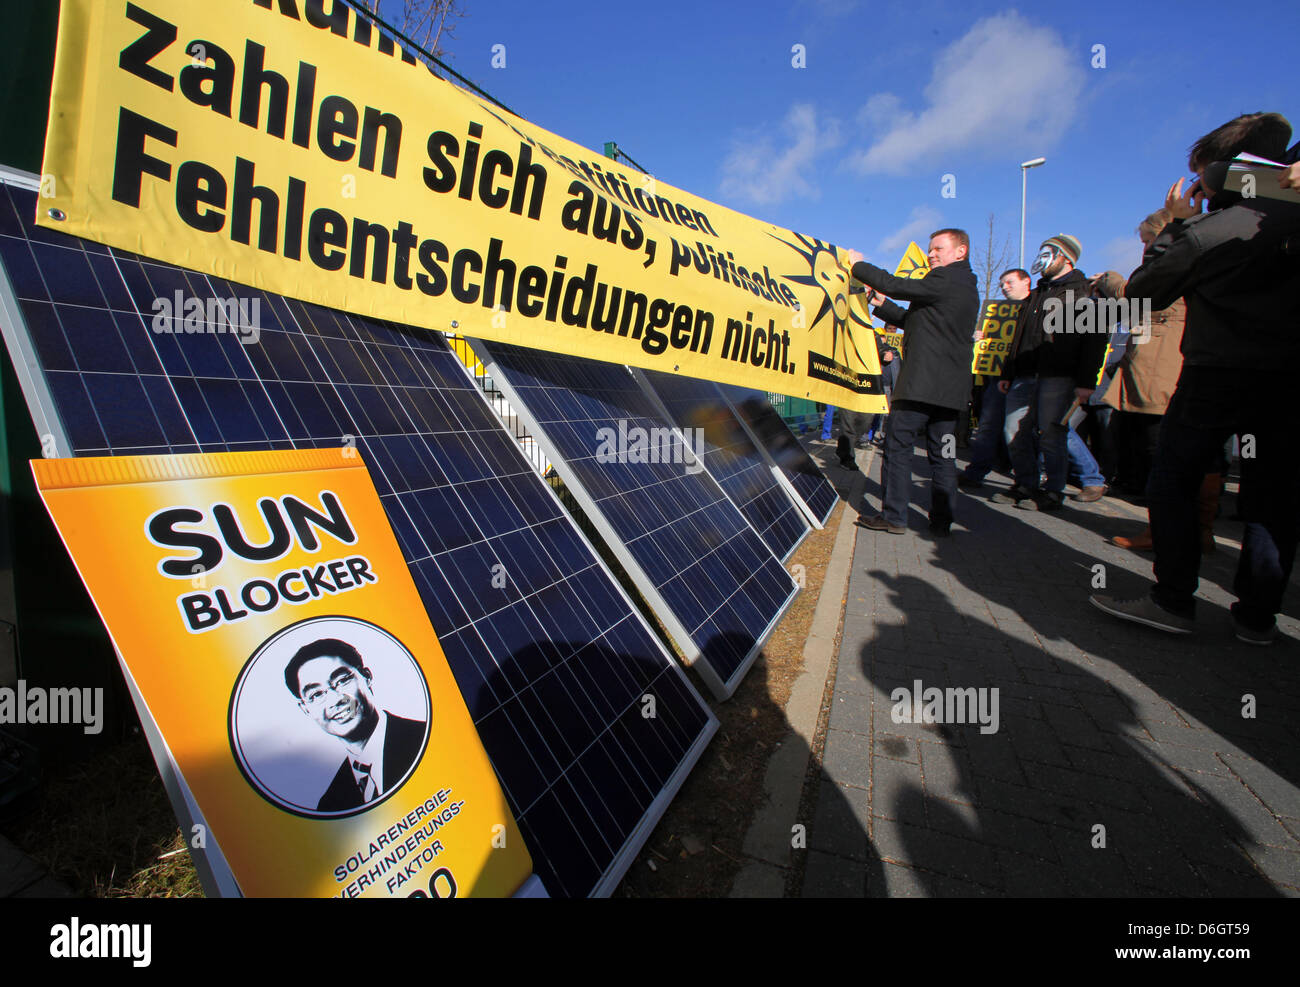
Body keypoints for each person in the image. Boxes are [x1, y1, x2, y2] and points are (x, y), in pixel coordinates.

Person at [1090, 111, 1300, 644]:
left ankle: (1173, 600)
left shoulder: (1213, 230)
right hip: (1286, 378)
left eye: (1199, 173)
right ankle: (1257, 617)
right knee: (1273, 497)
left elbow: (1143, 291)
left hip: (1217, 372)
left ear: (1222, 170)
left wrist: (1178, 224)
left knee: (1173, 479)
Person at [842, 229, 980, 535]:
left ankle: (893, 516)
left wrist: (858, 266)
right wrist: (880, 303)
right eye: (930, 250)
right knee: (944, 456)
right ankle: (942, 521)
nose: (931, 255)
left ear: (961, 251)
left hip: (920, 388)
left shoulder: (945, 278)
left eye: (938, 248)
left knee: (898, 447)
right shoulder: (966, 287)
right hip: (950, 394)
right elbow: (914, 322)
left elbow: (896, 284)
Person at [993, 235, 1110, 511]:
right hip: (1025, 374)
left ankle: (1053, 490)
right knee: (1013, 431)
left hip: (1058, 375)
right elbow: (1019, 337)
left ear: (1065, 258)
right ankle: (1025, 484)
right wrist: (1008, 371)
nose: (1041, 258)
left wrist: (1086, 381)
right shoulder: (1036, 294)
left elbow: (1095, 340)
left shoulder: (1082, 293)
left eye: (1049, 253)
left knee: (1051, 433)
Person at [284, 638, 428, 811]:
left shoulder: (426, 737)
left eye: (341, 681)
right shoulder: (330, 805)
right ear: (306, 709)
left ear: (367, 677)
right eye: (316, 695)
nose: (335, 700)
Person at [960, 268, 1029, 488]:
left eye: (1009, 282)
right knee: (988, 426)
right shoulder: (996, 313)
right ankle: (976, 472)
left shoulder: (1035, 308)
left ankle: (1026, 479)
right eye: (1002, 284)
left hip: (1023, 377)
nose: (1004, 287)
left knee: (1018, 429)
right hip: (996, 376)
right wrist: (979, 337)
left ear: (1026, 281)